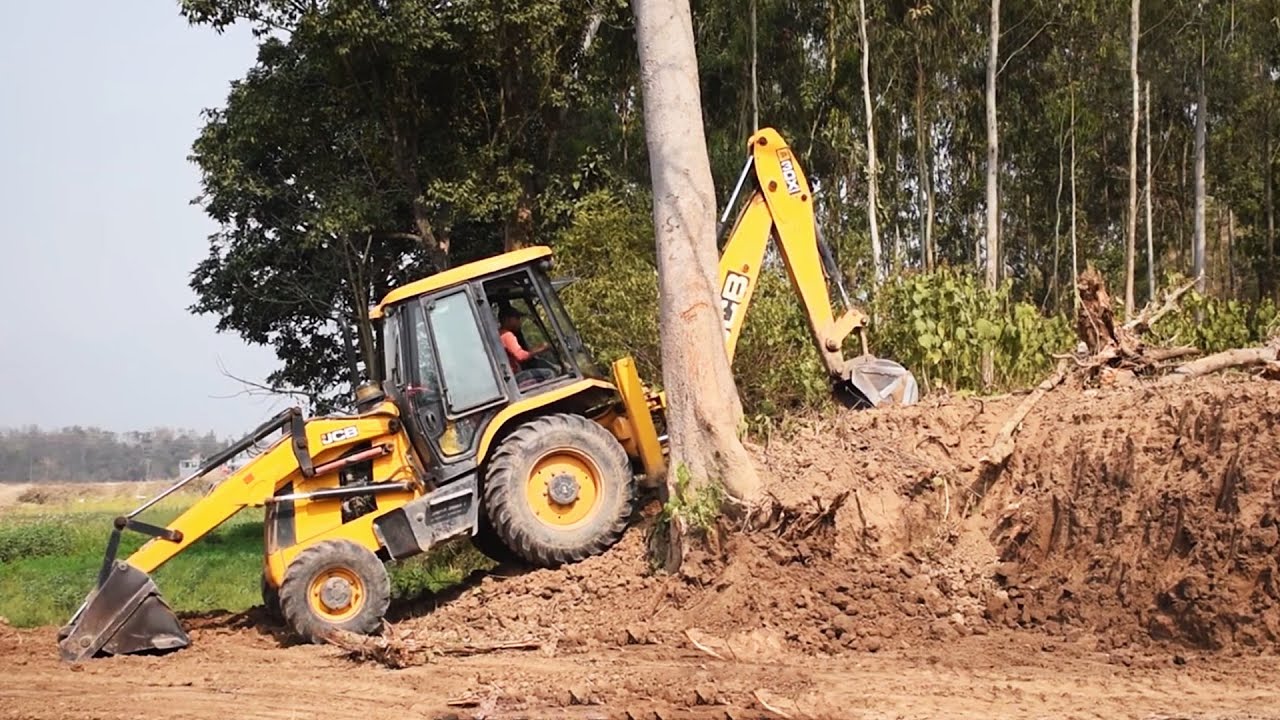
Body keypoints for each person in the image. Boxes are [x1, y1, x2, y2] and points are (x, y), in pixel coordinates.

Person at [497, 304, 550, 378]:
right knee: (550, 373)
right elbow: (520, 356)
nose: (519, 321)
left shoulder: (499, 334)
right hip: (514, 377)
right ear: (507, 319)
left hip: (510, 377)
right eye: (517, 318)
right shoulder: (507, 335)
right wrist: (542, 348)